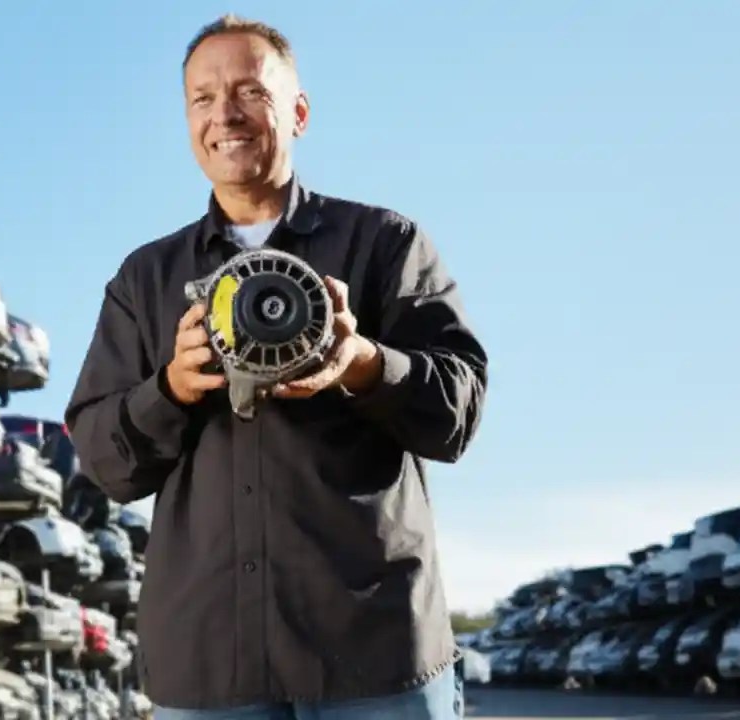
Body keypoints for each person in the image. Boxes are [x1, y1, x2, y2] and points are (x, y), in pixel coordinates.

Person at [65, 14, 488, 720]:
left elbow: (460, 413)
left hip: (377, 656)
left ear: (297, 112)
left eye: (248, 91)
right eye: (202, 97)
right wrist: (171, 388)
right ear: (186, 119)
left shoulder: (385, 244)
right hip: (209, 668)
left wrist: (363, 363)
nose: (224, 113)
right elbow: (103, 461)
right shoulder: (146, 279)